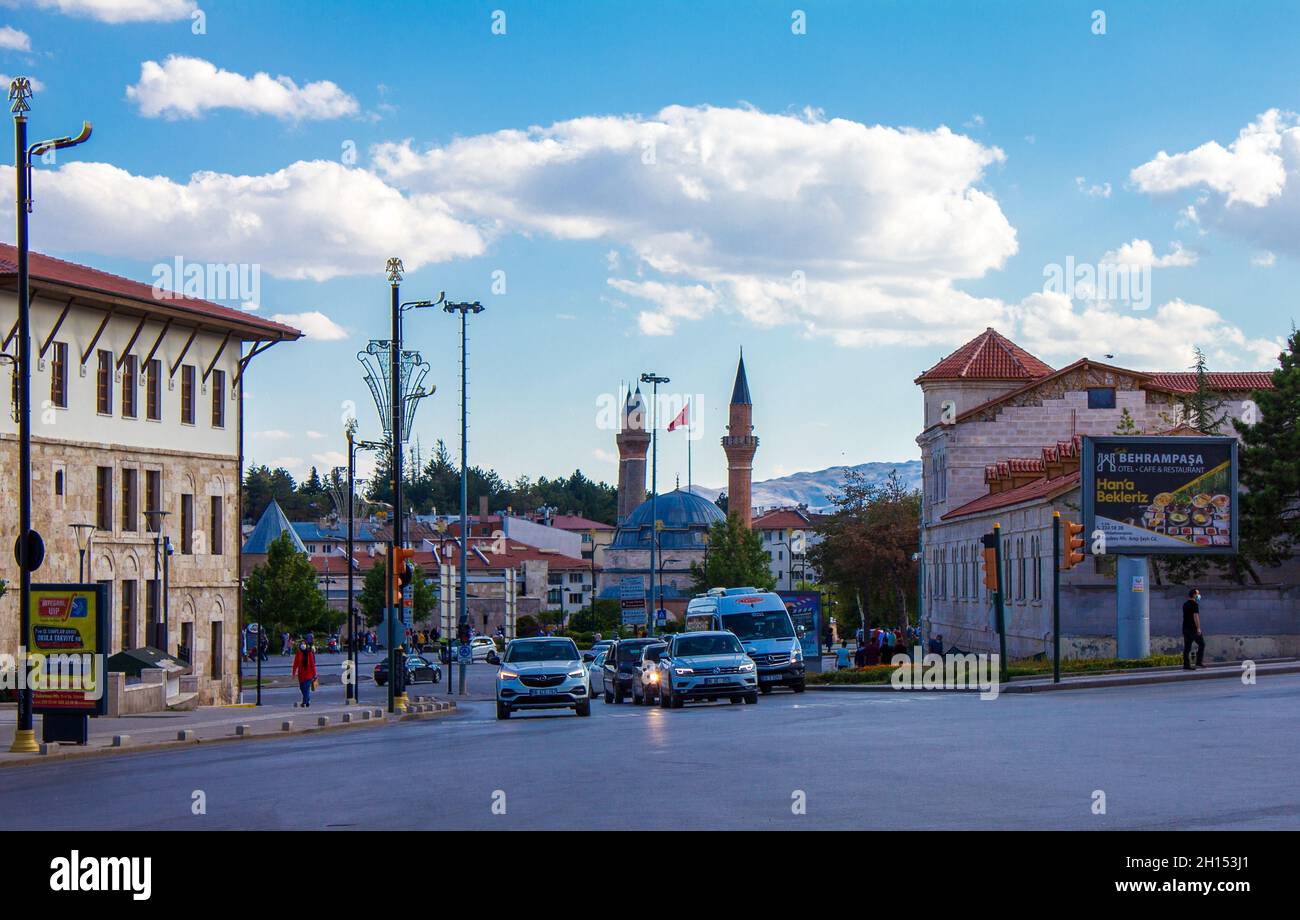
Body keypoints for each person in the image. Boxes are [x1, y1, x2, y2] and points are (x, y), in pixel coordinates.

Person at [1182, 588, 1205, 670]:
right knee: (1202, 644)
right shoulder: (1195, 604)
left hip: (1185, 628)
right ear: (1194, 595)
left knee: (1187, 647)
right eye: (1198, 594)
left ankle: (1186, 665)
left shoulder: (1185, 604)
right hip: (1193, 629)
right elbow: (1196, 616)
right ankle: (1199, 662)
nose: (1199, 595)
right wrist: (1198, 628)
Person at [292, 636, 318, 707]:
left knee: (306, 688)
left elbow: (312, 664)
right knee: (302, 688)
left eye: (304, 643)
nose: (303, 645)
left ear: (306, 645)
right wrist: (293, 673)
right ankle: (308, 700)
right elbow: (295, 664)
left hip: (309, 674)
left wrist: (314, 674)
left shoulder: (309, 653)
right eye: (302, 644)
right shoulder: (298, 653)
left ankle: (304, 702)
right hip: (301, 674)